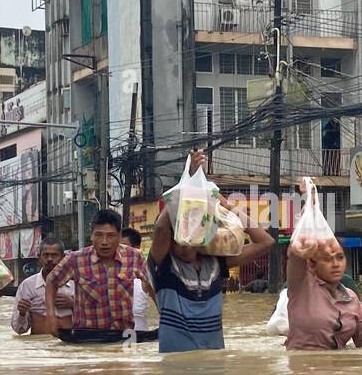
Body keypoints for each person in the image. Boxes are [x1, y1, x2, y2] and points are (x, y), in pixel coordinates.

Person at [148, 150, 275, 353]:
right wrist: (187, 184)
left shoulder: (216, 264)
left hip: (215, 364)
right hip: (176, 367)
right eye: (181, 231)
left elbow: (265, 242)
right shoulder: (163, 266)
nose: (187, 239)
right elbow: (161, 229)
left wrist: (228, 205)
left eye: (195, 227)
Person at [285, 181, 362, 353]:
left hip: (338, 372)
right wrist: (297, 249)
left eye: (340, 257)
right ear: (313, 265)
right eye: (328, 259)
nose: (336, 264)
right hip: (304, 370)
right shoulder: (301, 287)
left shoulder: (351, 298)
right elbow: (295, 257)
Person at [44, 209, 154, 343]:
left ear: (119, 236)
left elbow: (151, 285)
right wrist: (50, 316)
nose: (104, 242)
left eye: (110, 235)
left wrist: (166, 318)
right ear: (91, 235)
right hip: (86, 339)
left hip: (124, 338)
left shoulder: (134, 256)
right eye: (99, 235)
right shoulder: (76, 259)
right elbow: (51, 282)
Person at [10, 237, 75, 335]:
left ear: (63, 257)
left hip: (68, 343)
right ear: (39, 257)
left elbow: (89, 322)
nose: (49, 259)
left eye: (54, 255)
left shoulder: (75, 284)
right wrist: (22, 313)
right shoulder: (27, 286)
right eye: (46, 255)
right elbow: (19, 330)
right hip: (38, 346)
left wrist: (74, 304)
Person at [121, 227, 156, 332]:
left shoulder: (145, 277)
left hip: (140, 342)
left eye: (123, 248)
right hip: (114, 343)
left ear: (136, 249)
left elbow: (164, 311)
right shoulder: (104, 276)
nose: (119, 252)